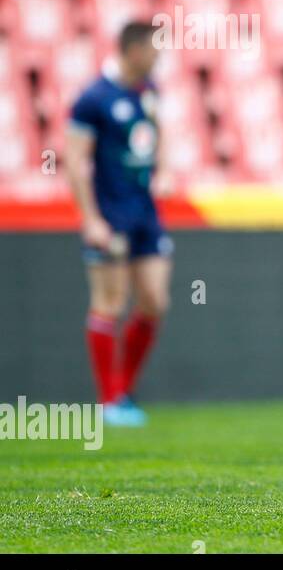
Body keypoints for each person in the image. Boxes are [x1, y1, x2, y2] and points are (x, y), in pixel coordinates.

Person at [65, 21, 173, 426]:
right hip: (109, 215)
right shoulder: (94, 99)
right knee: (110, 302)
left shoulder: (150, 92)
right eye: (153, 49)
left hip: (145, 213)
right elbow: (75, 161)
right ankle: (110, 400)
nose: (158, 56)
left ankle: (122, 389)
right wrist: (90, 218)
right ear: (132, 49)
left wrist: (163, 168)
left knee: (155, 301)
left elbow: (159, 133)